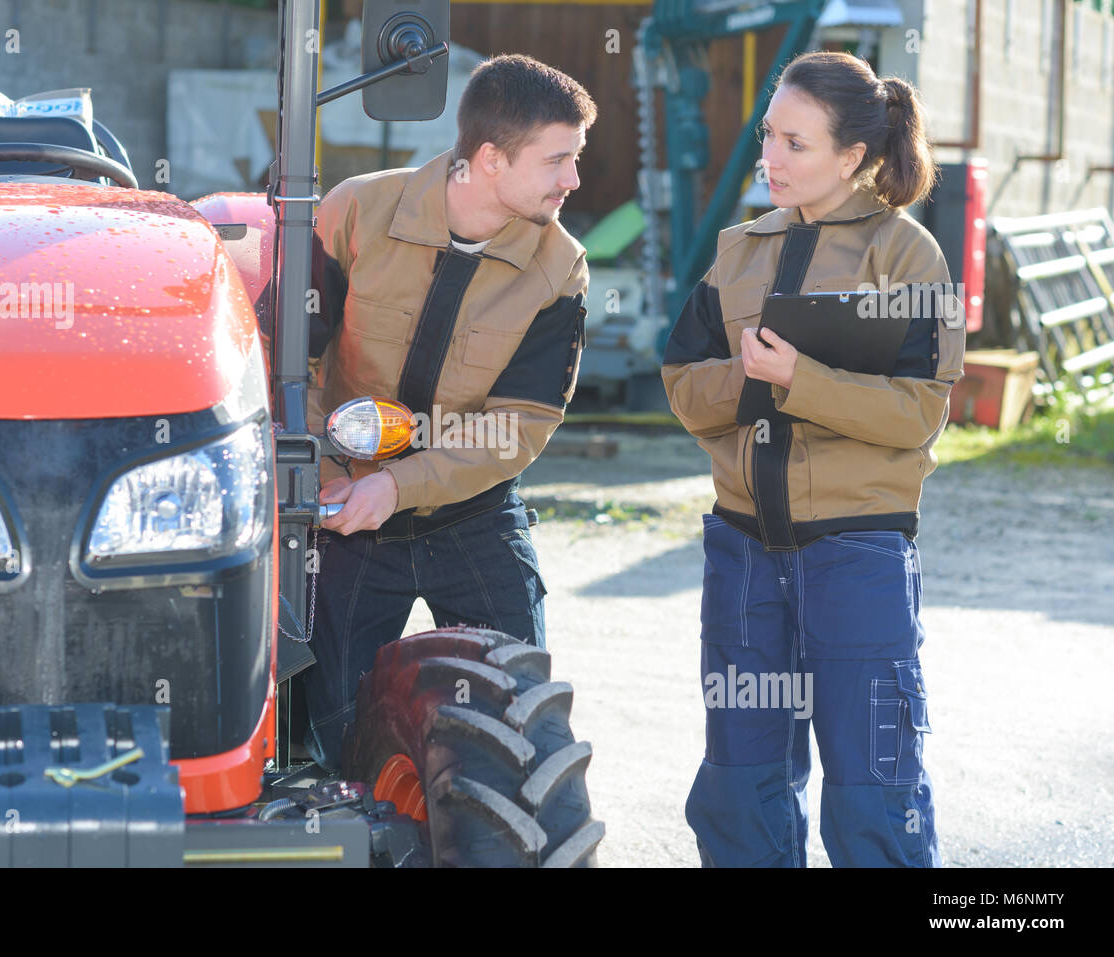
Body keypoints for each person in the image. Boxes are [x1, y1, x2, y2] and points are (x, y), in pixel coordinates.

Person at [661, 51, 966, 867]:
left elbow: (919, 412)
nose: (771, 158)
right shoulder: (734, 252)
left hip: (858, 555)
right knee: (740, 782)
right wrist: (747, 376)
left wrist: (802, 380)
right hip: (742, 554)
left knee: (874, 787)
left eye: (796, 143)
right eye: (769, 136)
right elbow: (684, 388)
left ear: (854, 157)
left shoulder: (908, 259)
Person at [301, 54, 596, 771]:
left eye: (576, 158)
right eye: (558, 160)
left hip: (473, 514)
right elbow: (287, 362)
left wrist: (399, 486)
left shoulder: (560, 268)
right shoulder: (354, 211)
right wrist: (317, 472)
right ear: (490, 158)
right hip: (345, 512)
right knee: (331, 741)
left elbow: (519, 425)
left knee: (523, 730)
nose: (574, 180)